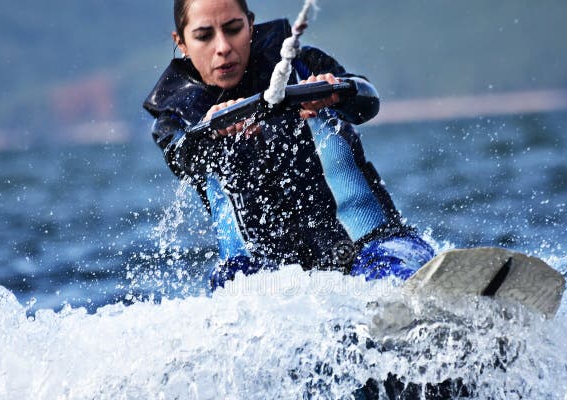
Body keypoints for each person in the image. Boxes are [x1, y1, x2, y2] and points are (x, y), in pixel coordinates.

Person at [144, 0, 435, 289]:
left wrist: (334, 92)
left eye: (233, 29)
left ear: (250, 25)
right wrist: (209, 130)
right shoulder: (176, 118)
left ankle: (401, 287)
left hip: (374, 245)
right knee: (240, 280)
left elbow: (367, 102)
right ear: (180, 42)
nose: (222, 47)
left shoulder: (303, 65)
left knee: (388, 267)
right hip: (256, 277)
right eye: (204, 36)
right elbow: (182, 158)